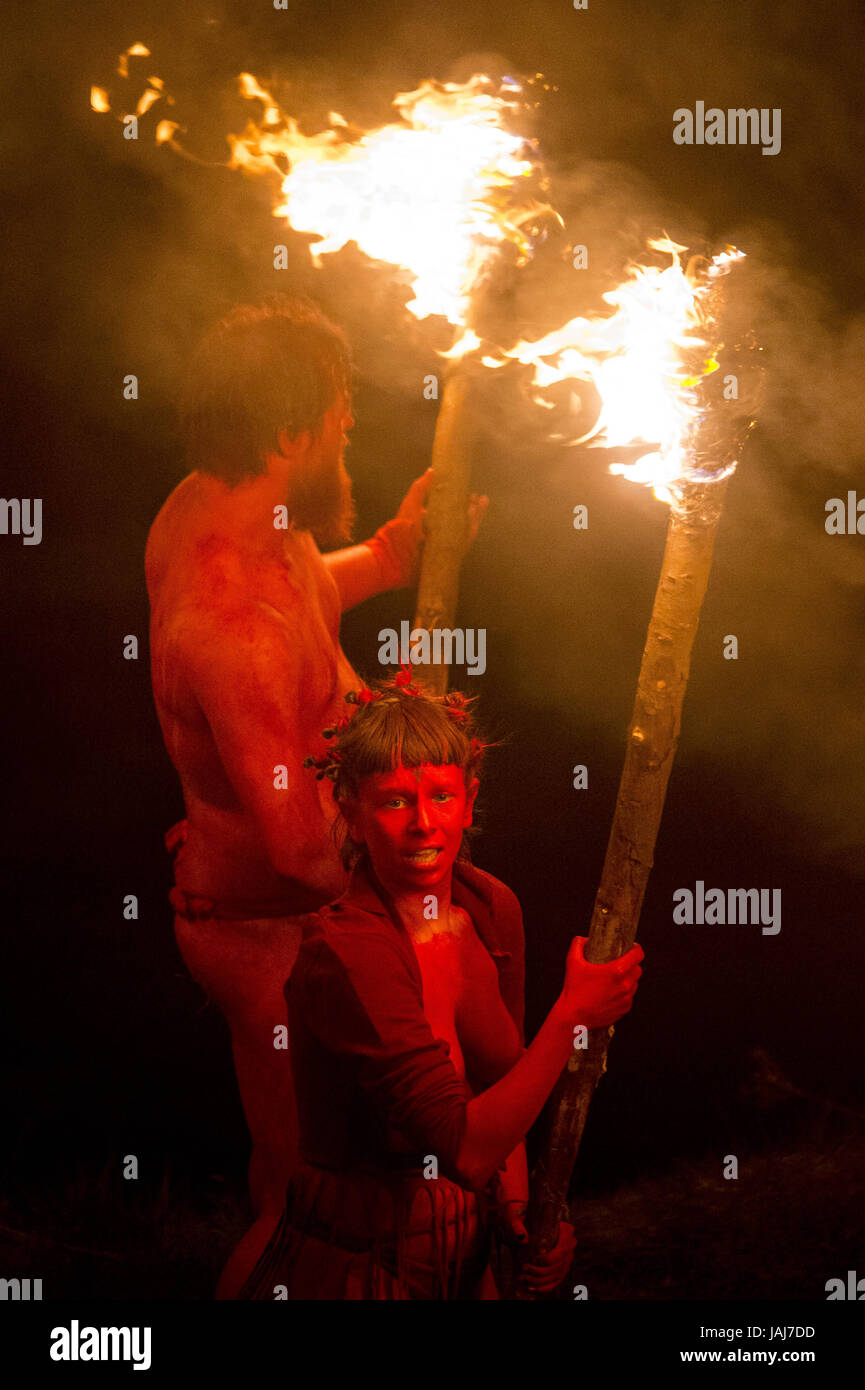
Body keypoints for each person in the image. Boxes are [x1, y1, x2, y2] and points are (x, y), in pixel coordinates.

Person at [145, 296, 486, 1296]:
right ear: (290, 432)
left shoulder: (227, 503)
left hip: (286, 915)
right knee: (309, 1210)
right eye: (338, 412)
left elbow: (300, 603)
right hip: (272, 934)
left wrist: (387, 556)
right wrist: (420, 814)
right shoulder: (228, 623)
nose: (350, 426)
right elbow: (300, 849)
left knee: (293, 1181)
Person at [239, 674, 644, 1299]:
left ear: (471, 800)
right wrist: (573, 1018)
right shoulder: (346, 953)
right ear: (349, 808)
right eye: (395, 801)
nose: (424, 823)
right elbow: (463, 1149)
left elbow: (500, 1086)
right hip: (360, 1264)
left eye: (442, 797)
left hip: (470, 1248)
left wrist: (520, 1211)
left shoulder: (489, 907)